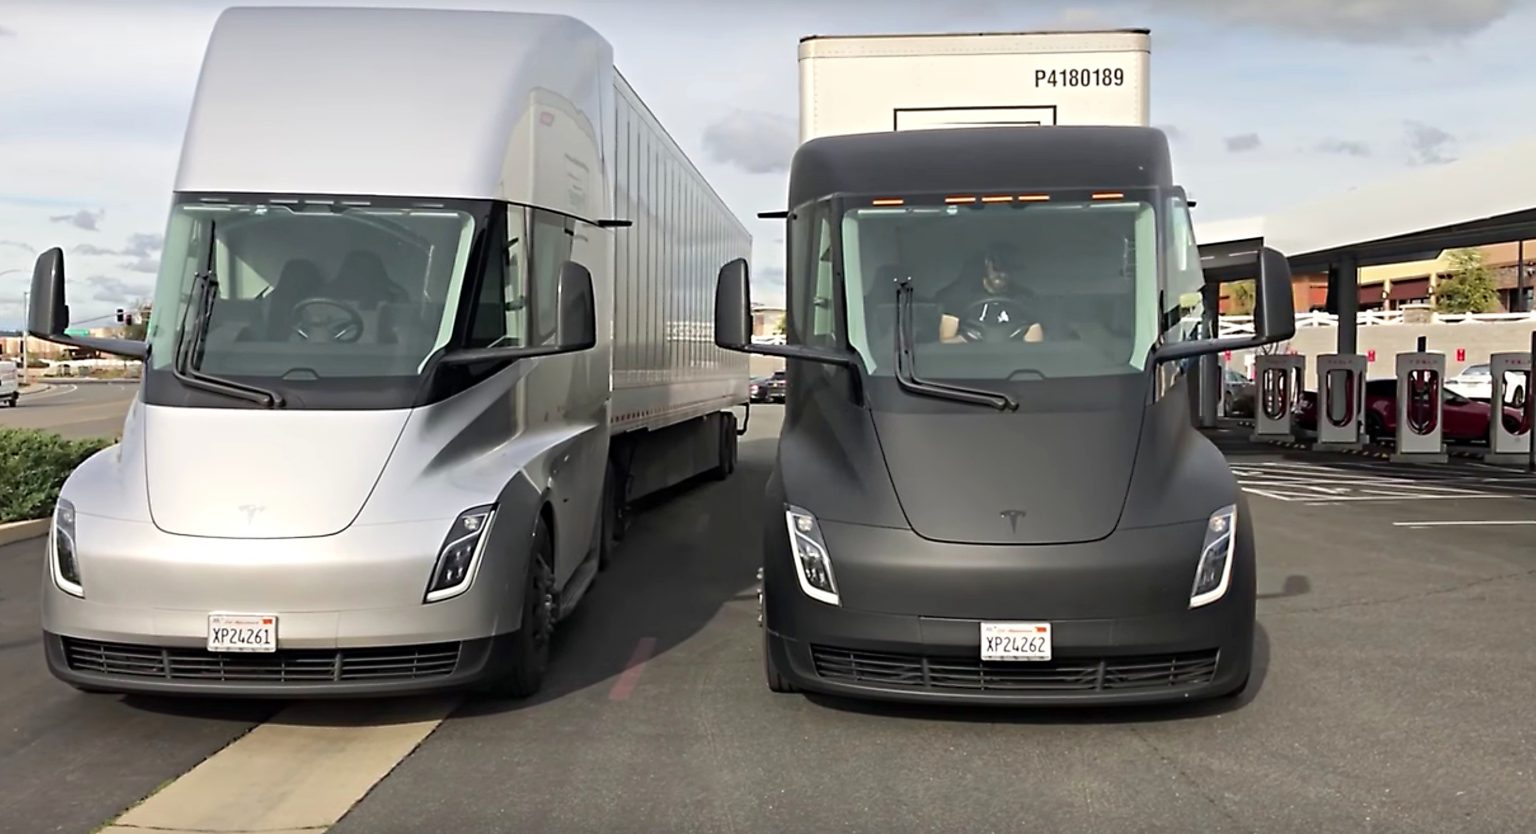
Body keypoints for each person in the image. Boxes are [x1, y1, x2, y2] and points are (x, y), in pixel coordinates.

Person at [935, 242, 1045, 343]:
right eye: (997, 268)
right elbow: (945, 344)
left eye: (1007, 270)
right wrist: (968, 337)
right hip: (967, 361)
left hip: (1012, 361)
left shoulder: (1024, 298)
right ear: (987, 263)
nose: (1001, 274)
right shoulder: (959, 296)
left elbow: (1035, 347)